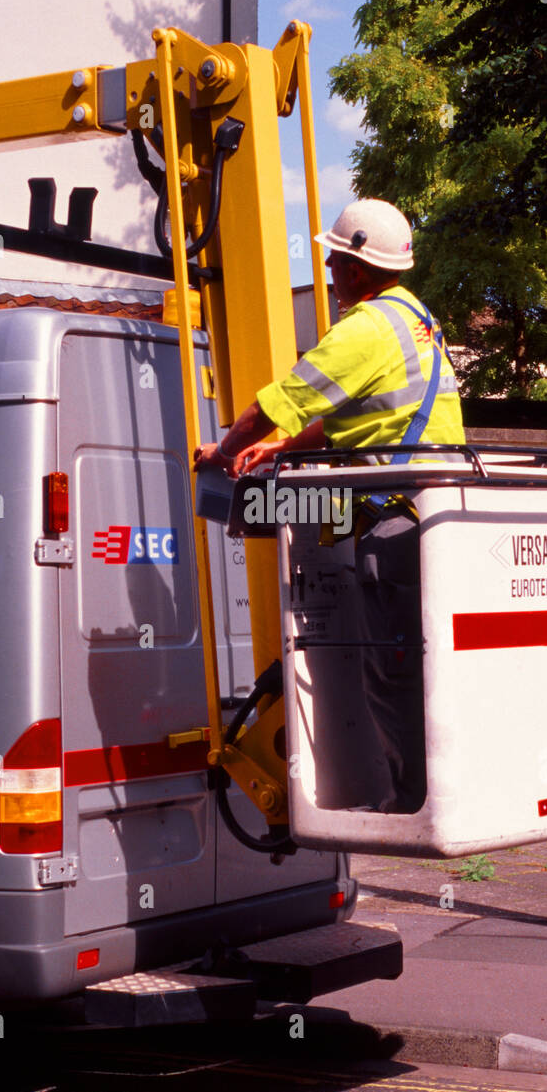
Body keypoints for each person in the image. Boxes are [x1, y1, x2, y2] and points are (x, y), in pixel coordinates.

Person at [194, 198, 464, 812]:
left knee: (391, 668)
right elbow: (354, 416)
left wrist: (225, 450)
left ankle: (409, 804)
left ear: (358, 267)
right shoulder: (415, 318)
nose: (331, 273)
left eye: (335, 260)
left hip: (393, 520)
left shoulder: (365, 328)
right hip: (423, 513)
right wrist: (279, 449)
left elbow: (280, 397)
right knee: (414, 663)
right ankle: (418, 792)